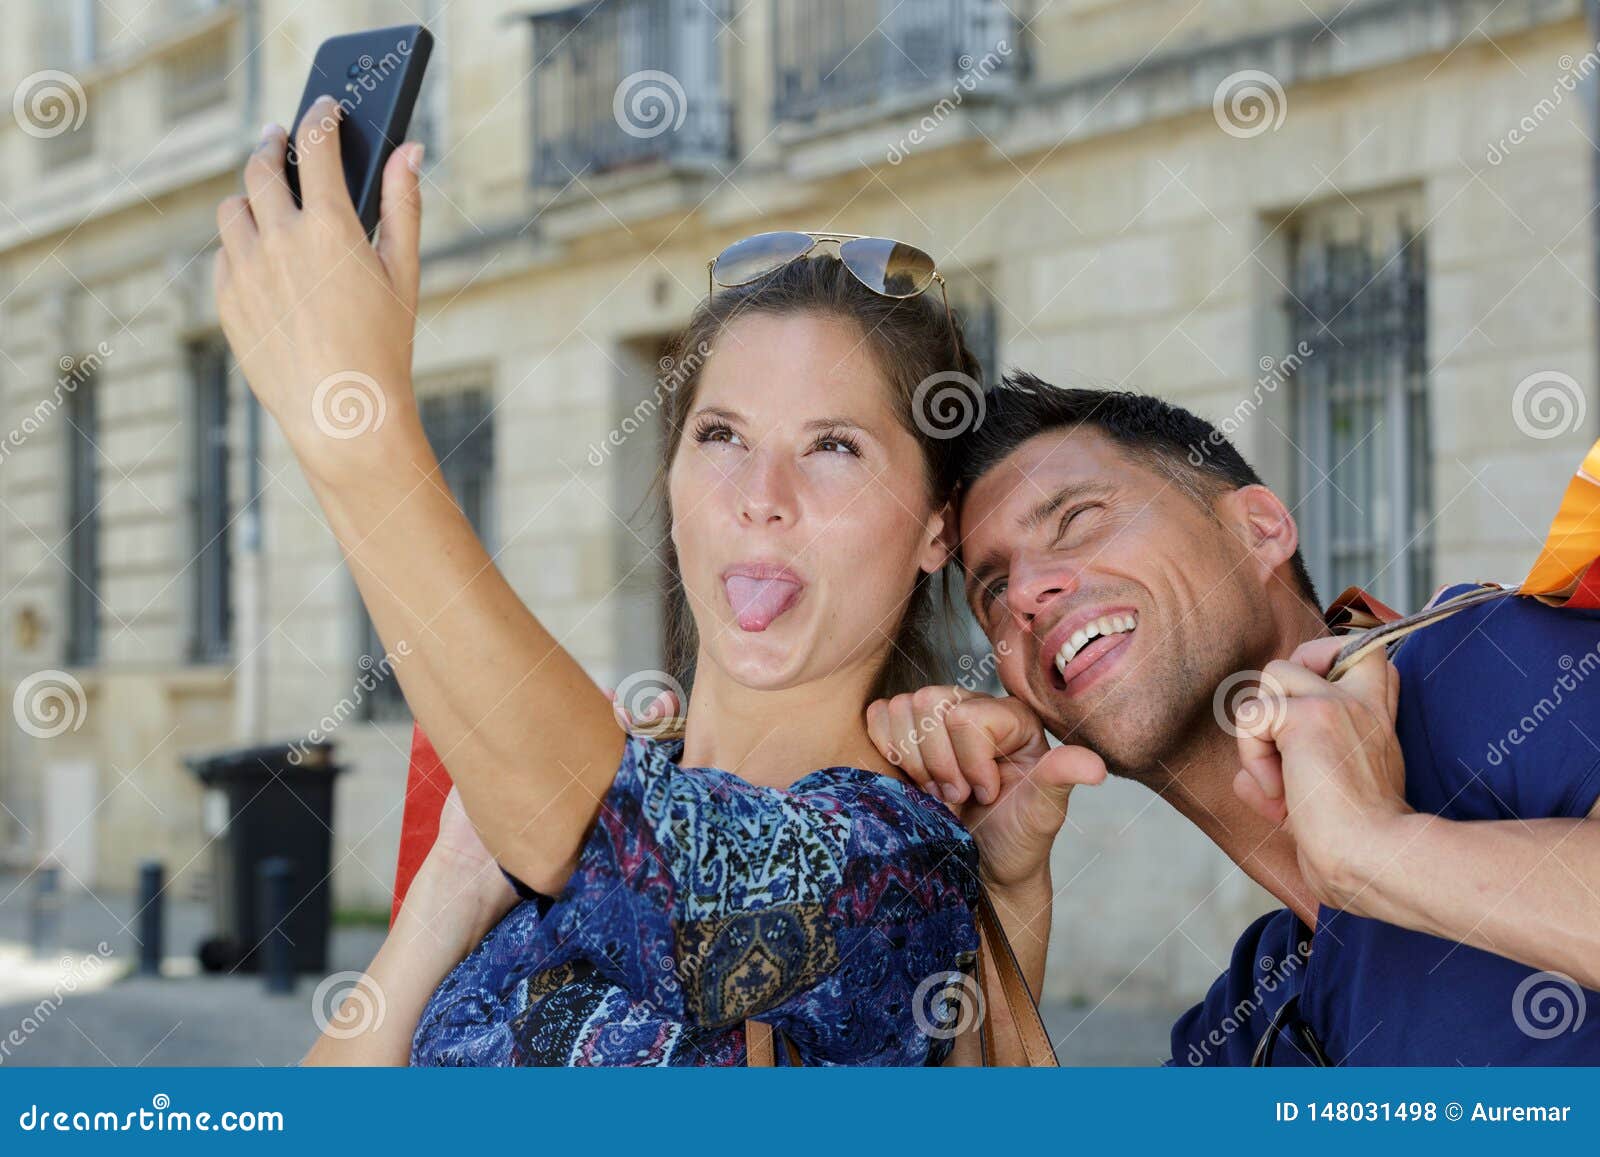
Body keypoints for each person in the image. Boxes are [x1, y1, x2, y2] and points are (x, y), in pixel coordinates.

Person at [212, 100, 1085, 1065]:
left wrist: (357, 429)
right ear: (669, 481)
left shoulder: (899, 863)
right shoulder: (543, 799)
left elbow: (638, 859)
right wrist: (447, 898)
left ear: (933, 531)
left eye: (835, 446)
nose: (762, 496)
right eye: (721, 436)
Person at [868, 373, 1600, 1065]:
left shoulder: (1492, 661)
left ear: (1259, 528)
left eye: (1077, 518)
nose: (1026, 592)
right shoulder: (1251, 1025)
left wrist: (1374, 849)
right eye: (992, 591)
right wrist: (1003, 902)